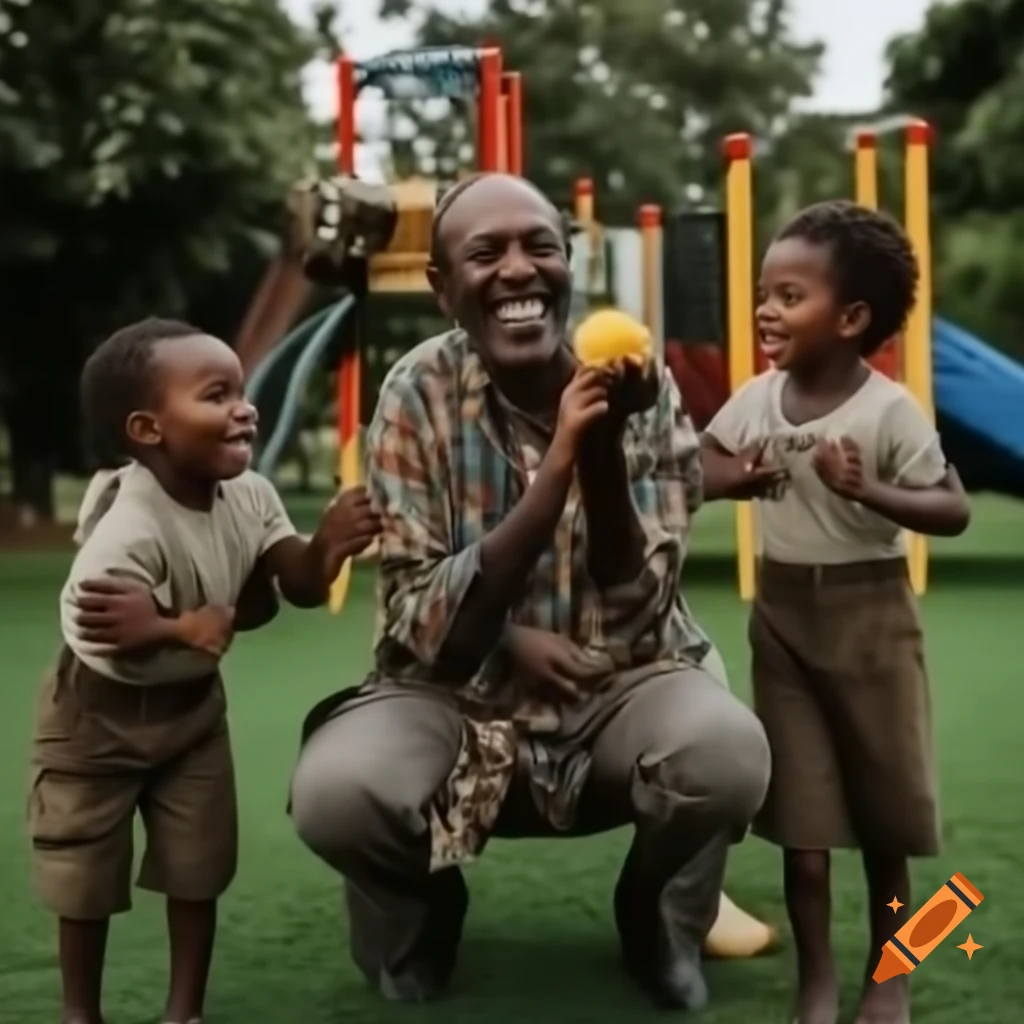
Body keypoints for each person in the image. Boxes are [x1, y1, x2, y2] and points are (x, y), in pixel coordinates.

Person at [289, 173, 780, 1010]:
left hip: (618, 689)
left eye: (538, 246)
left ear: (567, 268)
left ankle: (655, 917)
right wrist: (555, 478)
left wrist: (598, 449)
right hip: (454, 699)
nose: (518, 269)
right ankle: (425, 911)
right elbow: (417, 621)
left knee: (725, 755)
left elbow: (640, 604)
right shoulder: (416, 392)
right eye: (486, 254)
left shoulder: (640, 384)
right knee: (339, 793)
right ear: (445, 290)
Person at [30, 318, 381, 1024]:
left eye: (242, 393)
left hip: (190, 715)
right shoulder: (130, 526)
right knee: (83, 871)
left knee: (199, 864)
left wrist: (329, 548)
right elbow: (91, 630)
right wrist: (179, 626)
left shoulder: (251, 496)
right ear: (148, 428)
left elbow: (299, 585)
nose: (243, 408)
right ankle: (80, 1014)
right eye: (216, 395)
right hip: (92, 719)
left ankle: (183, 1011)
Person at [703, 200, 970, 1024]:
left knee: (885, 831)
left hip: (872, 624)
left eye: (789, 296)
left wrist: (870, 489)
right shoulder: (758, 398)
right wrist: (736, 477)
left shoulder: (887, 411)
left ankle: (890, 978)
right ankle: (816, 982)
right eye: (765, 294)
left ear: (851, 318)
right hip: (783, 623)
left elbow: (950, 508)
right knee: (807, 841)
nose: (766, 311)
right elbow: (703, 464)